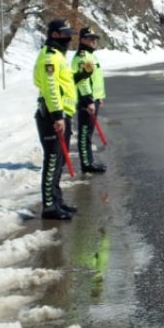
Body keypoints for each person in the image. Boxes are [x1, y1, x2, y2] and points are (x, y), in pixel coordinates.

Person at [34, 18, 79, 220]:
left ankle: (57, 200)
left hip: (62, 114)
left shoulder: (59, 57)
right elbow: (51, 88)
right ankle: (49, 206)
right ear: (54, 35)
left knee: (59, 160)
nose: (69, 38)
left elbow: (65, 84)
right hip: (52, 117)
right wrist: (57, 115)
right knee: (52, 160)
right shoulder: (49, 58)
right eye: (64, 34)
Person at [72, 27, 106, 174]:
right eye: (90, 38)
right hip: (87, 101)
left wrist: (99, 98)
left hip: (93, 100)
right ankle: (87, 164)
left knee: (88, 132)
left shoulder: (90, 56)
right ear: (82, 39)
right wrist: (88, 101)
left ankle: (89, 161)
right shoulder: (82, 57)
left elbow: (95, 79)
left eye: (95, 38)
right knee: (85, 133)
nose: (94, 41)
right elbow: (83, 81)